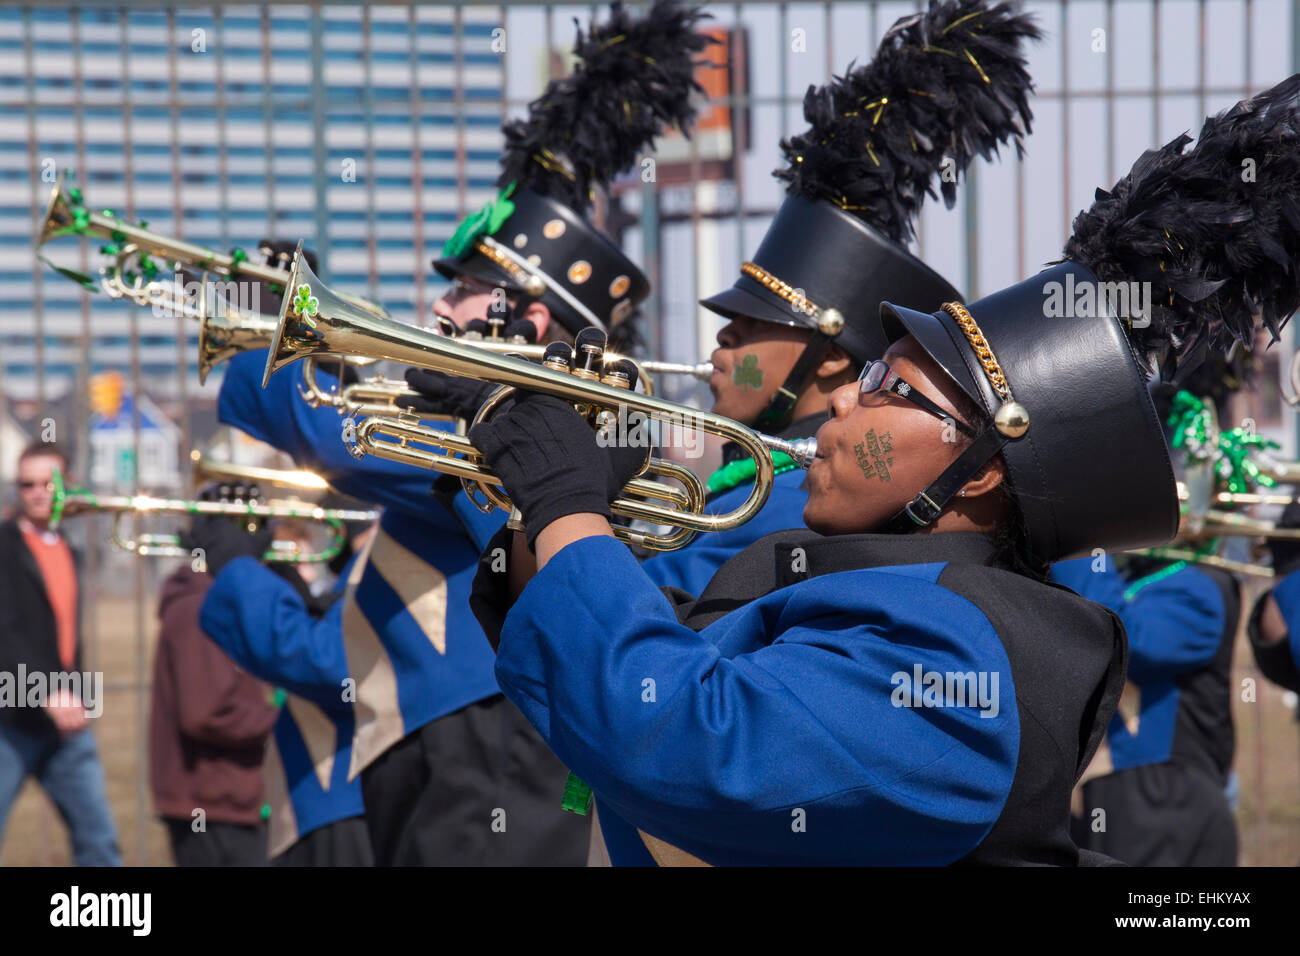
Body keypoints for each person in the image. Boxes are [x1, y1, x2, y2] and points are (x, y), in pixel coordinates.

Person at [463, 75, 1300, 865]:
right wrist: (553, 503)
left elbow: (683, 733)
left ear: (977, 470)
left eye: (885, 386)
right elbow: (655, 651)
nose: (841, 405)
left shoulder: (963, 657)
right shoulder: (870, 589)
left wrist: (568, 503)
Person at [233, 2, 716, 865]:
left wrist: (255, 338)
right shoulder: (485, 413)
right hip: (444, 737)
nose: (437, 311)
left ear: (524, 317)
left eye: (458, 294)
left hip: (483, 737)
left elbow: (340, 439)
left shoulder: (535, 424)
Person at [634, 0, 1042, 595]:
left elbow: (622, 634)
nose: (724, 338)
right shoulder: (754, 485)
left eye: (751, 324)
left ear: (827, 357)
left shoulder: (797, 507)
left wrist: (557, 493)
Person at [193, 510, 378, 867]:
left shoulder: (399, 546)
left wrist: (240, 570)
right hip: (324, 799)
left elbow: (336, 664)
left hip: (343, 800)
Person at [0, 441, 121, 866]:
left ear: (67, 485)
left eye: (46, 483)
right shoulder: (4, 545)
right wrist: (43, 689)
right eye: (25, 484)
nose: (35, 492)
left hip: (66, 727)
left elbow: (65, 638)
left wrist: (71, 693)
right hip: (10, 718)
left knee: (100, 844)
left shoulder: (68, 548)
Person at [148, 498, 279, 867]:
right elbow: (205, 714)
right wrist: (282, 720)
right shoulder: (199, 607)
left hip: (225, 796)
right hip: (213, 803)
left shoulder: (209, 598)